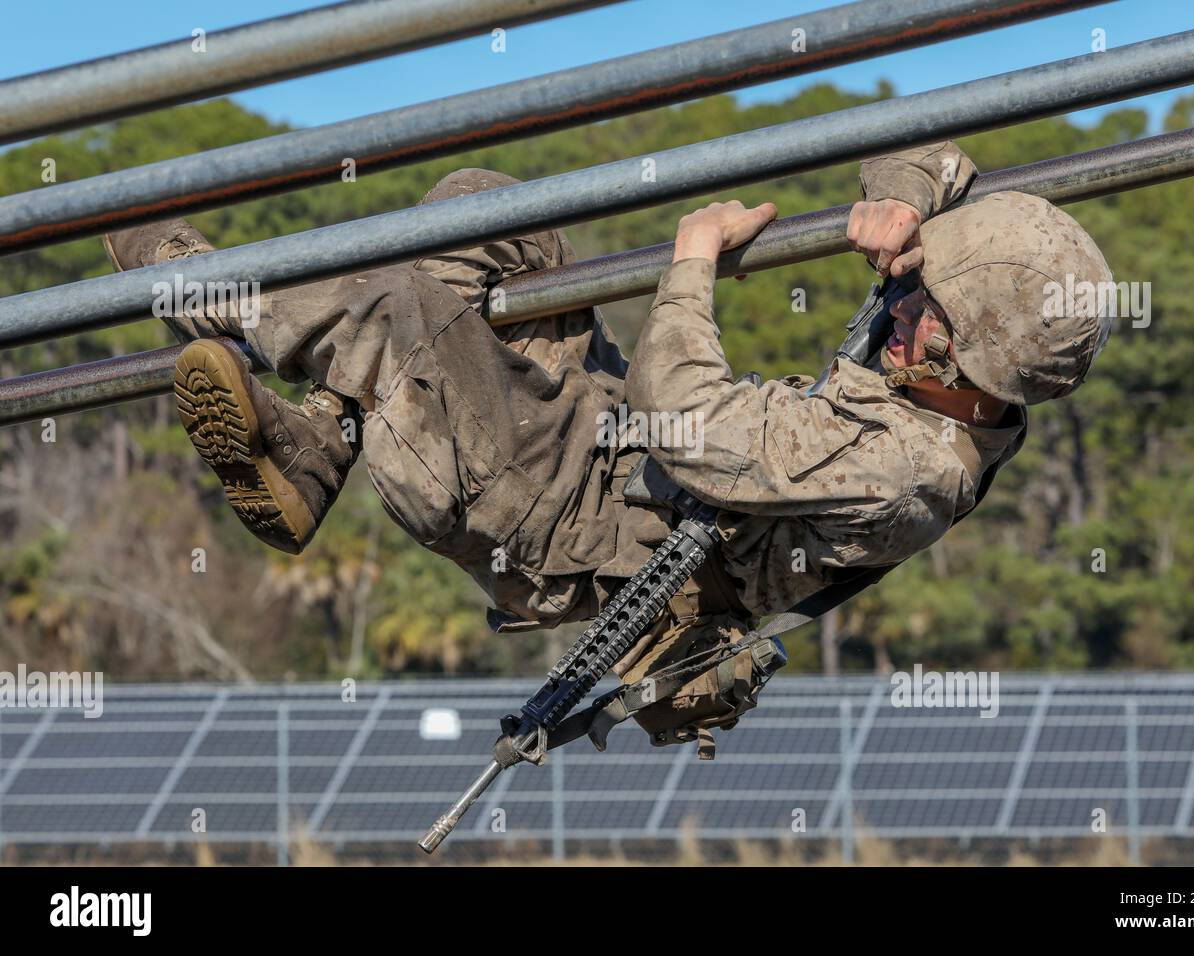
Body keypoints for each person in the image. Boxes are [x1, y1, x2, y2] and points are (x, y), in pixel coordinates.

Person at [102, 143, 1111, 755]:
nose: (903, 309)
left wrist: (693, 258)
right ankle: (315, 445)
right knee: (485, 206)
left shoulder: (907, 466)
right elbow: (936, 158)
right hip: (604, 446)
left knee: (396, 305)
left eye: (928, 309)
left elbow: (683, 411)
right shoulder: (974, 376)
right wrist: (910, 203)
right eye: (919, 283)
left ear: (970, 355)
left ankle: (190, 278)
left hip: (556, 523)